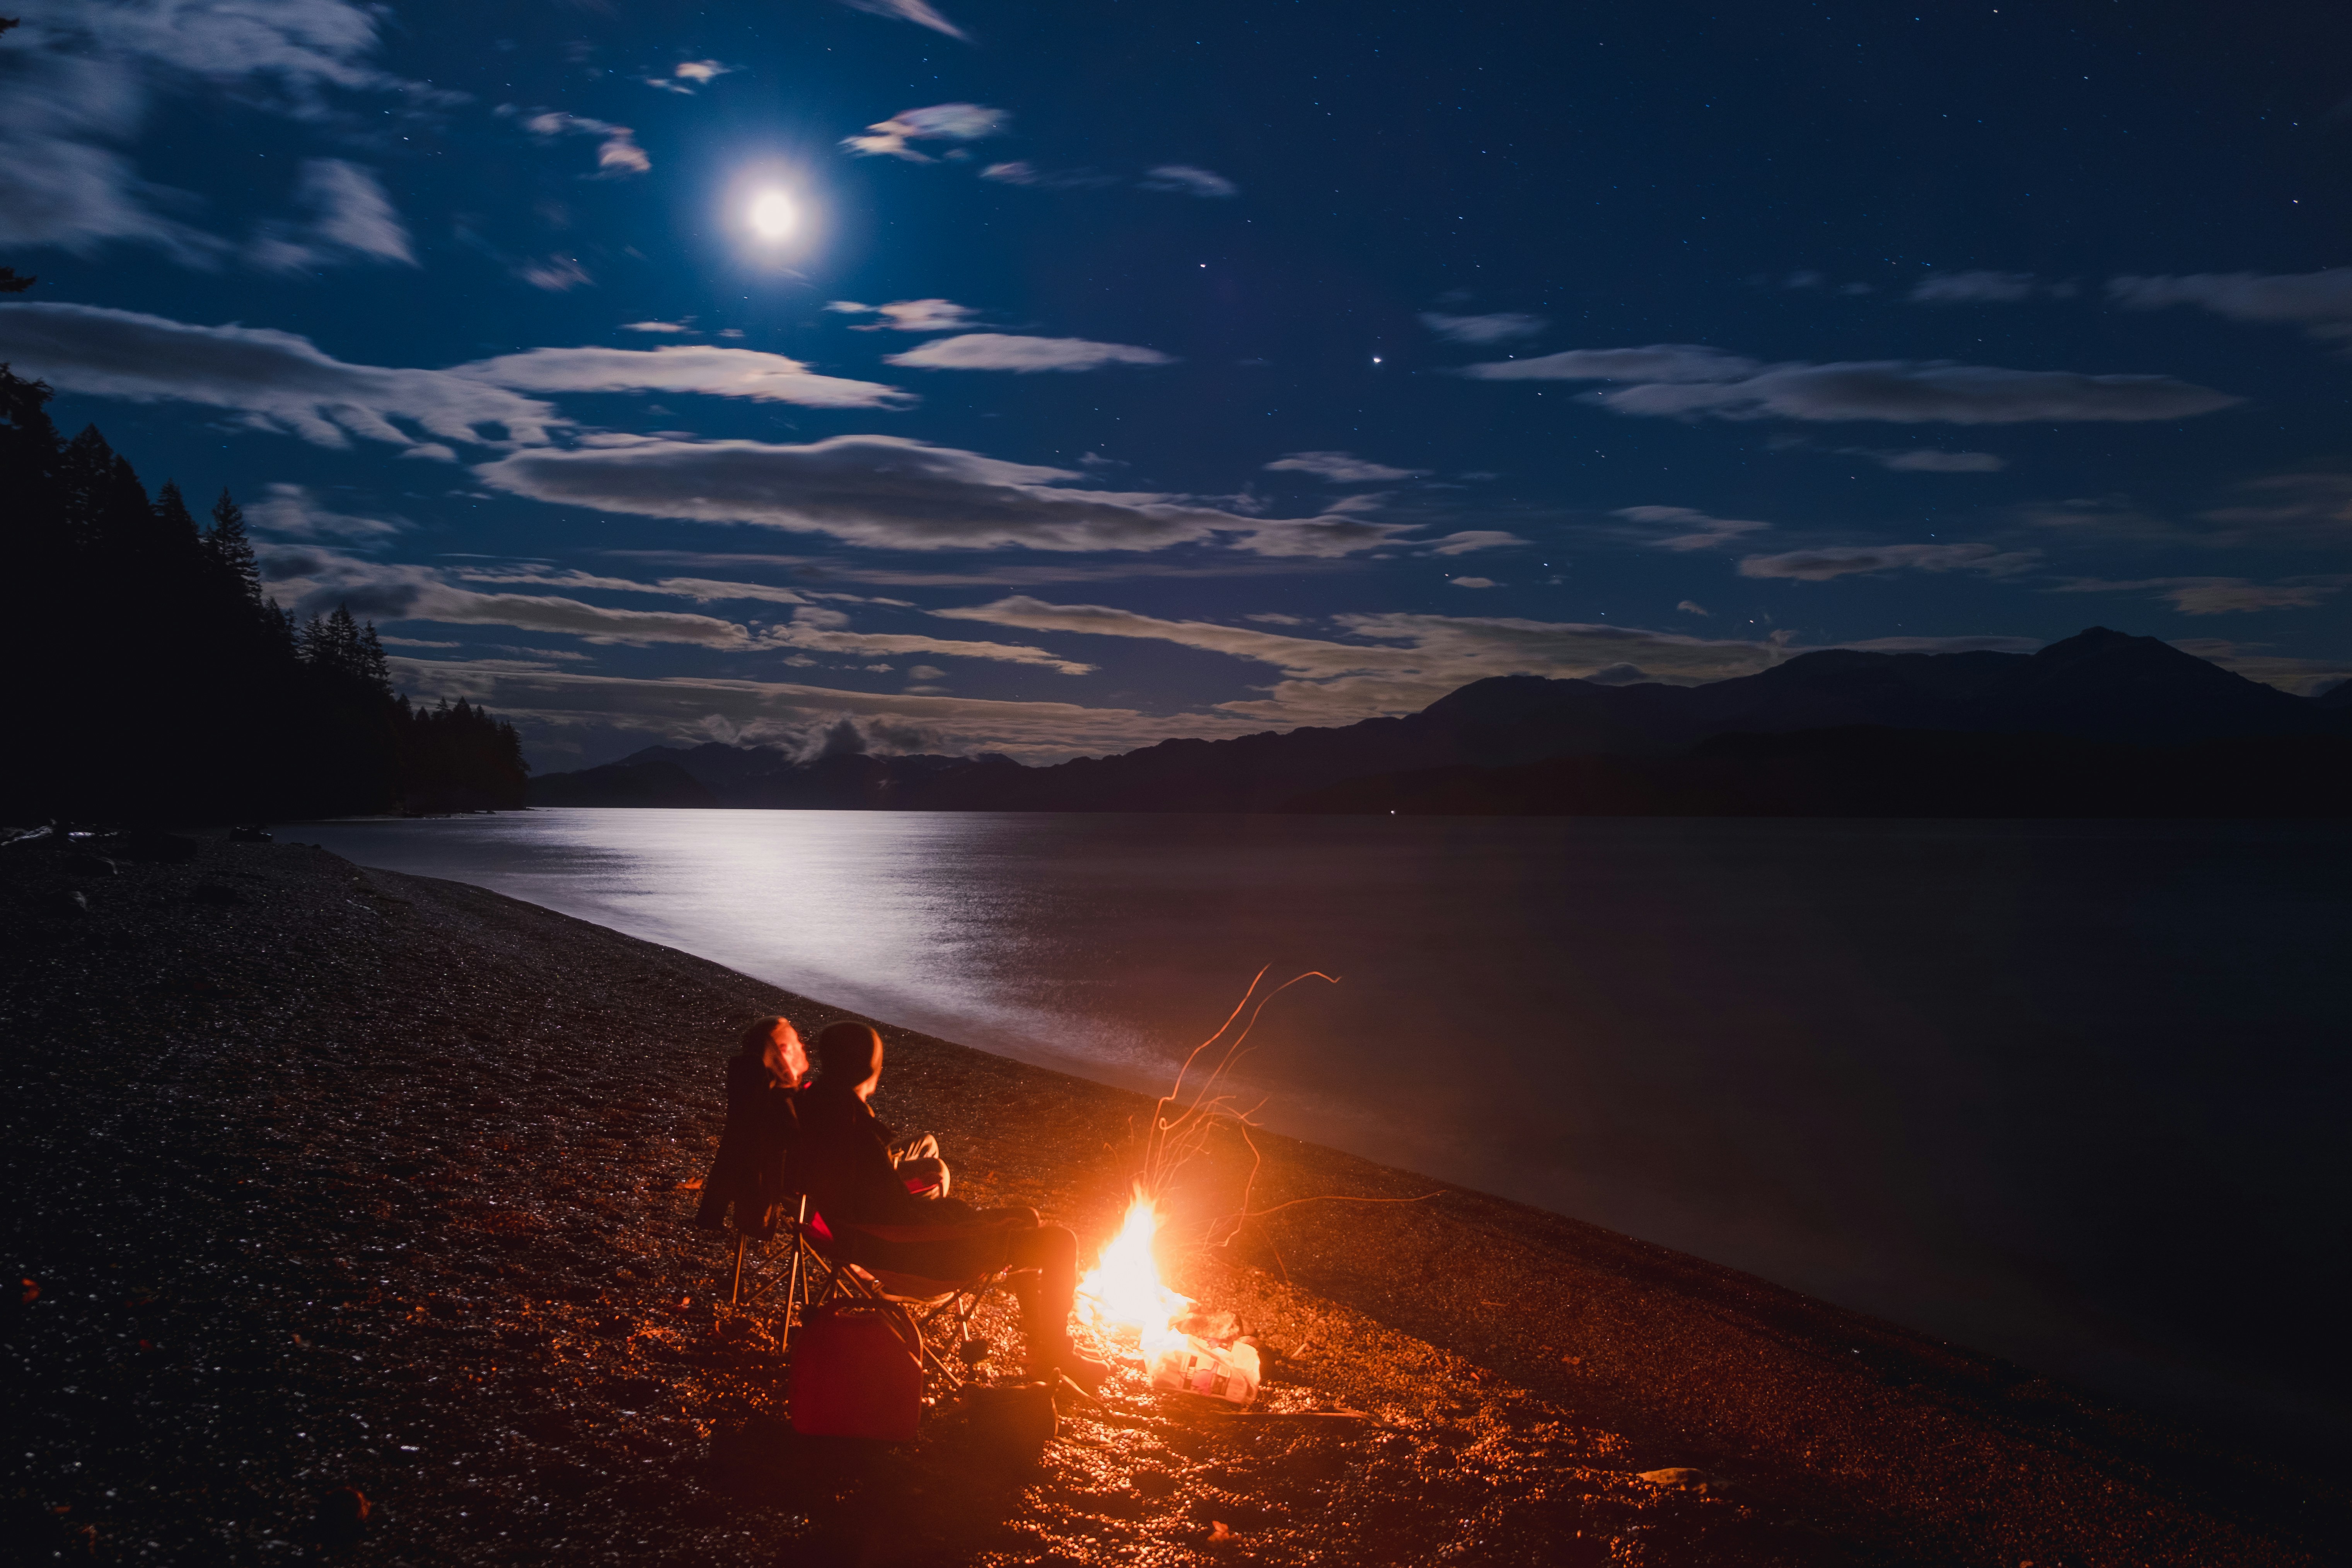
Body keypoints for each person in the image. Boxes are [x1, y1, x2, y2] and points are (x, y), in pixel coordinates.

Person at [793, 1020, 1107, 1391]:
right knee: (1060, 1242)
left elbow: (878, 1203)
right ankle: (1054, 1354)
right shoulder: (854, 1130)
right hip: (910, 1256)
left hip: (863, 1240)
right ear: (868, 1069)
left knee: (1025, 1217)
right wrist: (968, 1222)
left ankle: (1041, 1345)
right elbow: (900, 1219)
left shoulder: (814, 1108)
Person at [694, 1015, 806, 1239]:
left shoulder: (759, 1090)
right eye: (794, 1042)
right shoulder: (777, 1100)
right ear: (781, 1051)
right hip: (794, 1190)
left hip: (767, 1186)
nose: (802, 1046)